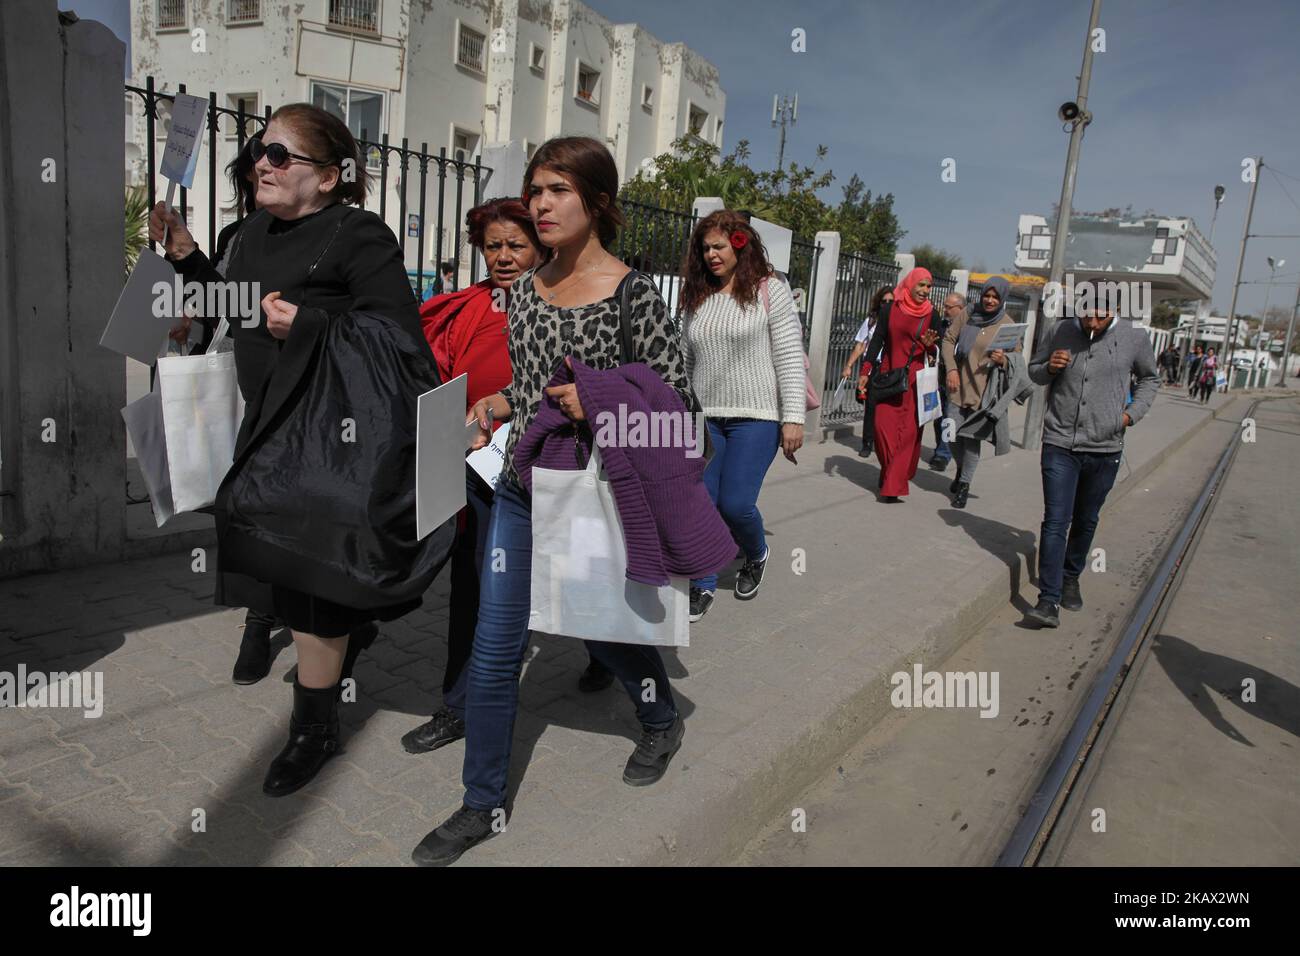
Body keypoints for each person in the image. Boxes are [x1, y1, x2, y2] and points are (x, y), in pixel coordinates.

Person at [412, 137, 701, 866]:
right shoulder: (527, 291)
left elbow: (678, 406)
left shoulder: (634, 295)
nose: (539, 204)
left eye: (557, 190)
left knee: (601, 628)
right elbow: (531, 381)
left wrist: (594, 400)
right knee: (494, 645)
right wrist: (498, 402)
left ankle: (660, 718)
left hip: (599, 491)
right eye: (535, 189)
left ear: (597, 202)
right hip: (523, 488)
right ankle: (481, 803)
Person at [152, 103, 455, 795]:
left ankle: (313, 730)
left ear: (327, 176)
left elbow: (402, 341)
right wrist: (187, 259)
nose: (261, 162)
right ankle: (340, 632)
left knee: (314, 578)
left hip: (328, 437)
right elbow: (235, 309)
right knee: (280, 566)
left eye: (280, 155)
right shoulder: (251, 232)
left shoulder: (359, 234)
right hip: (266, 425)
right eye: (260, 149)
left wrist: (314, 325)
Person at [152, 136, 290, 686]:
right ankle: (259, 619)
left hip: (297, 392)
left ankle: (319, 615)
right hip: (237, 384)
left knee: (285, 509)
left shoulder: (334, 235)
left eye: (275, 166)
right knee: (242, 507)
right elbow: (227, 304)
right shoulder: (240, 234)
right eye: (255, 174)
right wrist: (188, 272)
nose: (264, 180)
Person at [678, 210, 806, 622]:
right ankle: (703, 583)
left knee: (735, 505)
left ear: (739, 245)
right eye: (705, 248)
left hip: (757, 418)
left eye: (718, 246)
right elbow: (684, 360)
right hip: (706, 418)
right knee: (703, 504)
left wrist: (793, 418)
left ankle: (756, 553)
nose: (711, 255)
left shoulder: (770, 290)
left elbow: (789, 357)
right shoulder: (697, 296)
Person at [1024, 293, 1159, 627]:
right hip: (1059, 443)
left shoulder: (1134, 336)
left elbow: (1149, 379)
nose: (1093, 323)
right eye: (1087, 316)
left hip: (1105, 447)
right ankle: (1048, 599)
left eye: (1101, 317)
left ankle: (1071, 576)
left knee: (1085, 519)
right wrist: (1049, 367)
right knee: (1056, 520)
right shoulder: (1060, 330)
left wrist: (1129, 415)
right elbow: (1035, 372)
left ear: (1115, 310)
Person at [857, 267, 941, 502]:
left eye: (929, 286)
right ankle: (890, 472)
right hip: (888, 378)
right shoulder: (890, 310)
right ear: (910, 284)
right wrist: (865, 371)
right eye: (921, 285)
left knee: (906, 437)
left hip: (915, 383)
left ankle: (893, 486)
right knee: (882, 429)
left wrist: (929, 346)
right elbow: (877, 341)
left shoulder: (931, 314)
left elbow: (936, 352)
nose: (925, 290)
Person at [940, 277, 1020, 508]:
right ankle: (962, 469)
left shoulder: (1007, 324)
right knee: (950, 433)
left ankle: (964, 485)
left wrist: (1003, 359)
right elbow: (948, 340)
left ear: (1002, 298)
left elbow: (1016, 358)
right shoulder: (968, 313)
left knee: (971, 440)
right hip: (958, 385)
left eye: (995, 297)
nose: (990, 300)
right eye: (987, 295)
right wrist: (951, 369)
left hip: (984, 392)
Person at [841, 286, 893, 457]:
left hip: (890, 368)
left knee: (886, 408)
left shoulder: (897, 321)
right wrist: (849, 365)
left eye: (891, 301)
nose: (887, 304)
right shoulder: (871, 321)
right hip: (872, 367)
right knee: (870, 406)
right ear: (879, 302)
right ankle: (867, 443)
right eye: (884, 301)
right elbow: (860, 345)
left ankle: (883, 441)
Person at [926, 292, 961, 471]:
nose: (945, 310)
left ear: (960, 308)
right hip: (938, 378)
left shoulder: (967, 328)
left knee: (950, 418)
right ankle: (940, 448)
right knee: (938, 416)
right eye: (945, 306)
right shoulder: (941, 325)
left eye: (949, 307)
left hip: (955, 380)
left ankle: (944, 454)